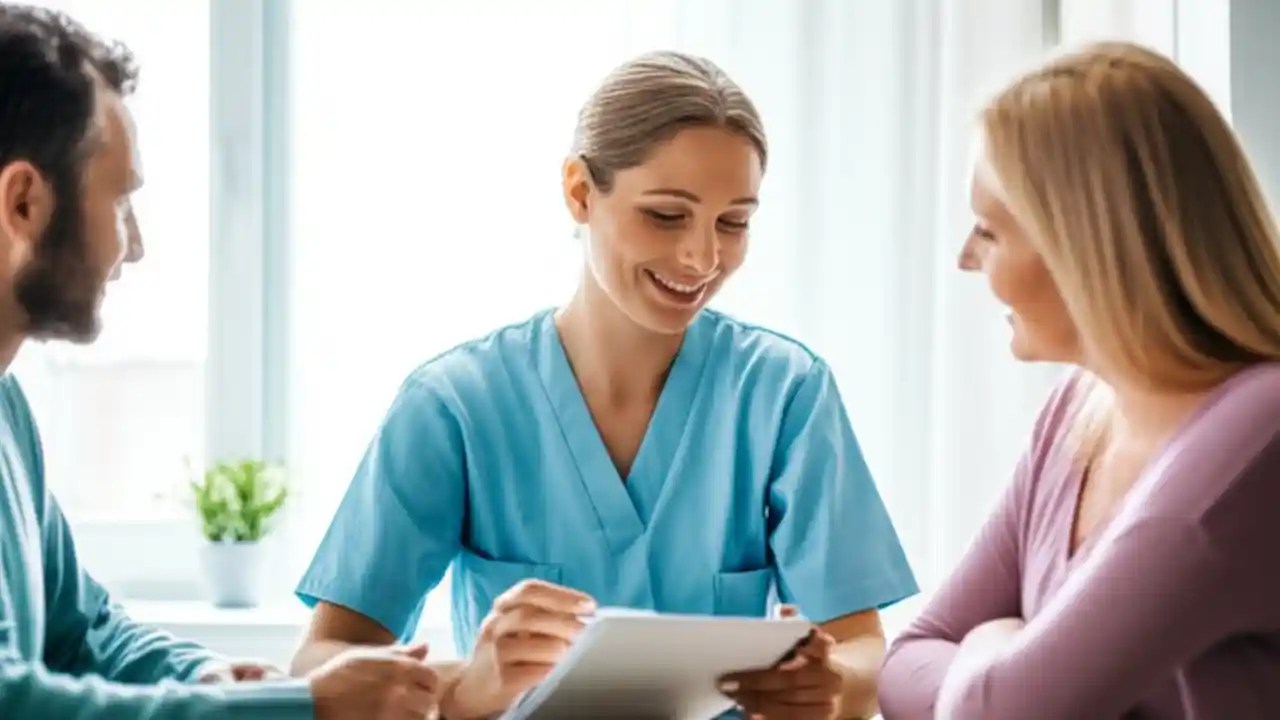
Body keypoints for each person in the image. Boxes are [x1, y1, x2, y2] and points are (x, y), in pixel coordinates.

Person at [292, 50, 917, 719]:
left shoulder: (784, 393)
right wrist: (471, 681)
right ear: (580, 192)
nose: (702, 259)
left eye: (733, 222)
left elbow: (861, 648)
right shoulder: (455, 406)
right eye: (667, 215)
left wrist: (828, 685)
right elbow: (321, 660)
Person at [0, 4, 440, 718]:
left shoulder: (8, 408)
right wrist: (301, 710)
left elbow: (81, 629)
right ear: (24, 202)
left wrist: (214, 678)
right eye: (120, 202)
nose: (132, 246)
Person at [877, 41, 1280, 720]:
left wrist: (996, 644)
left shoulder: (1259, 428)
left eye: (990, 231)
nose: (966, 260)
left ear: (1086, 245)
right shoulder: (1079, 412)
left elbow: (1001, 712)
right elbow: (906, 662)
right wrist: (1004, 667)